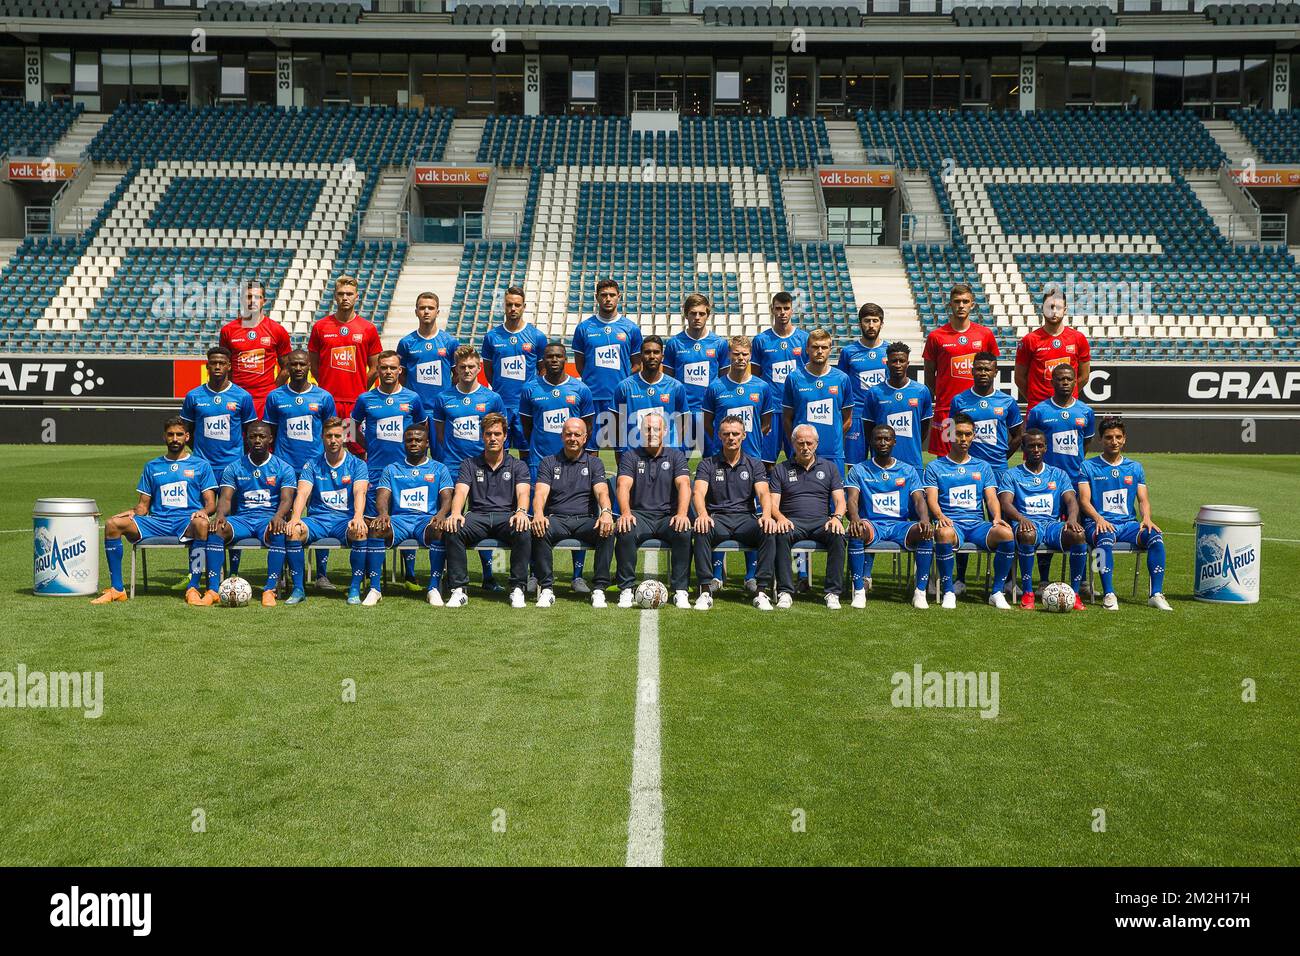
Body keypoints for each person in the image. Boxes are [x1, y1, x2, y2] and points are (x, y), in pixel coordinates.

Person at [91, 417, 218, 606]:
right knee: (112, 524)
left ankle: (193, 587)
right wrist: (133, 512)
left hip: (186, 522)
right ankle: (117, 589)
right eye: (170, 434)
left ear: (187, 437)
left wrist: (203, 511)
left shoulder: (201, 465)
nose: (175, 439)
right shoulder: (152, 466)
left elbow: (211, 503)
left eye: (179, 434)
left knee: (202, 524)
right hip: (157, 521)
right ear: (164, 437)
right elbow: (143, 506)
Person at [701, 334, 777, 595]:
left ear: (751, 357)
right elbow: (708, 422)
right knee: (717, 513)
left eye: (745, 354)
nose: (741, 359)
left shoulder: (762, 387)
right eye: (736, 354)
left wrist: (751, 442)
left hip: (751, 459)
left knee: (753, 515)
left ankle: (751, 575)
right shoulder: (716, 387)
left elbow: (766, 423)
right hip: (719, 460)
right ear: (729, 356)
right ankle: (717, 574)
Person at [432, 345, 508, 591]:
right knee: (449, 523)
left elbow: (500, 432)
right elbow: (441, 436)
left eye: (471, 367)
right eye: (462, 367)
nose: (467, 371)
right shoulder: (443, 399)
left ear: (479, 368)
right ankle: (447, 574)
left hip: (484, 469)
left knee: (490, 521)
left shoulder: (491, 398)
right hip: (453, 467)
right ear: (456, 369)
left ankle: (492, 575)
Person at [261, 349, 339, 591]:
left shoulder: (324, 397)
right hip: (285, 468)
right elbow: (269, 434)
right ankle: (284, 572)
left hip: (316, 467)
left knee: (319, 515)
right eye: (293, 364)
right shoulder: (275, 397)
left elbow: (332, 428)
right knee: (284, 518)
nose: (297, 368)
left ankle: (322, 574)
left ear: (308, 367)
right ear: (286, 367)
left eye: (302, 364)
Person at [922, 413, 1016, 610]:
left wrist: (997, 517)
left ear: (974, 436)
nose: (963, 439)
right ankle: (948, 591)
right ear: (949, 435)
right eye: (958, 434)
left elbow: (991, 497)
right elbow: (931, 499)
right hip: (952, 523)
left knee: (1006, 533)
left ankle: (997, 592)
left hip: (977, 524)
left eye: (967, 434)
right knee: (944, 533)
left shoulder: (983, 466)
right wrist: (940, 517)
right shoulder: (935, 467)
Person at [1077, 417, 1172, 611]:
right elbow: (1084, 501)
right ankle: (1109, 594)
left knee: (1155, 537)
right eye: (1109, 437)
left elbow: (1143, 499)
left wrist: (1146, 518)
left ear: (1124, 439)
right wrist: (1098, 519)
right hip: (1097, 523)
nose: (1114, 441)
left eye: (1118, 437)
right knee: (1102, 540)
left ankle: (1156, 594)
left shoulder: (1135, 467)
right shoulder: (1088, 466)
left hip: (1128, 524)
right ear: (1101, 440)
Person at [351, 350, 429, 585]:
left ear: (400, 371)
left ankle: (410, 572)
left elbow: (422, 430)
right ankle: (370, 572)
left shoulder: (412, 398)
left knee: (406, 516)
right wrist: (370, 447)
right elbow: (352, 429)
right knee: (375, 519)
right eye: (383, 367)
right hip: (375, 470)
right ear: (377, 370)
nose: (387, 372)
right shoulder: (366, 399)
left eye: (392, 368)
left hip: (405, 472)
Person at [948, 351, 1023, 595]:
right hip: (965, 471)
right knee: (963, 518)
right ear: (972, 371)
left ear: (995, 372)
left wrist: (1001, 456)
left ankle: (1009, 579)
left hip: (998, 471)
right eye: (978, 368)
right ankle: (960, 579)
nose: (982, 373)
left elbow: (1018, 435)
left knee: (1003, 521)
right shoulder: (959, 400)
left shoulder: (1007, 402)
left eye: (987, 369)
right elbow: (950, 433)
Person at [860, 342, 932, 594]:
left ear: (908, 361)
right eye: (894, 361)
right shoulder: (875, 393)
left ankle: (921, 577)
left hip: (911, 465)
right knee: (872, 516)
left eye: (902, 360)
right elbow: (869, 430)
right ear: (887, 362)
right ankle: (866, 575)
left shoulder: (921, 391)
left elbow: (923, 429)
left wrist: (908, 449)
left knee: (916, 520)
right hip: (877, 469)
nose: (898, 365)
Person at [442, 413, 533, 609]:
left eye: (497, 434)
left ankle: (517, 588)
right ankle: (459, 590)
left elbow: (523, 492)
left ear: (505, 436)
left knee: (523, 529)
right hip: (477, 517)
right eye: (488, 434)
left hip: (506, 517)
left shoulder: (518, 465)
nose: (493, 438)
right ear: (482, 436)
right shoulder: (469, 464)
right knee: (453, 528)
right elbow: (460, 492)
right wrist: (456, 512)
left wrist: (521, 511)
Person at [690, 416, 778, 611]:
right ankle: (705, 590)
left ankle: (761, 590)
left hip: (745, 519)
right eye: (727, 434)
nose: (731, 437)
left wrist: (766, 515)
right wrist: (703, 514)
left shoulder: (755, 464)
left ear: (743, 436)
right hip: (717, 519)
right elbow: (698, 492)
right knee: (701, 529)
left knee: (768, 530)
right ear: (719, 436)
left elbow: (764, 492)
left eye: (736, 434)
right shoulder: (707, 464)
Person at [362, 424, 454, 608]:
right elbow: (382, 496)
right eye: (409, 440)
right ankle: (375, 589)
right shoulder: (392, 469)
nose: (413, 443)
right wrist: (383, 514)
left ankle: (433, 588)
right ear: (404, 443)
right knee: (377, 528)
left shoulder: (439, 468)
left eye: (418, 440)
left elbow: (447, 497)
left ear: (427, 443)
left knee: (439, 529)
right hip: (399, 521)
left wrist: (442, 514)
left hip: (425, 521)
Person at [845, 424, 935, 610]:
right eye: (878, 439)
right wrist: (854, 519)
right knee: (856, 531)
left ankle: (920, 592)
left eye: (887, 439)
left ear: (895, 442)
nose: (883, 443)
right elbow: (852, 500)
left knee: (925, 532)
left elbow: (919, 500)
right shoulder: (859, 470)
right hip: (872, 524)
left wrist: (924, 519)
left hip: (899, 526)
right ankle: (860, 590)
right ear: (871, 442)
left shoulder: (908, 470)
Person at [209, 421, 298, 607]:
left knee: (279, 530)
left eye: (262, 436)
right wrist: (220, 515)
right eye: (253, 436)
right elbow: (225, 498)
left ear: (270, 439)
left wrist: (279, 516)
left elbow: (287, 499)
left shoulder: (284, 468)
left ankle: (269, 589)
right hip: (242, 519)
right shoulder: (233, 467)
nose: (257, 440)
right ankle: (212, 589)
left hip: (267, 519)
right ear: (246, 439)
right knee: (216, 529)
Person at [998, 429, 1088, 611]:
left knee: (1078, 535)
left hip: (1051, 525)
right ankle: (1028, 592)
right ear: (1023, 448)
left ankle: (1076, 594)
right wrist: (1021, 518)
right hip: (1026, 523)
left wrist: (1072, 519)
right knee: (1027, 534)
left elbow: (1071, 500)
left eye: (1040, 445)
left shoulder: (1059, 474)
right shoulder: (1012, 474)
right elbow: (1006, 503)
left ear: (1046, 448)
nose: (1036, 449)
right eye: (1031, 446)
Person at [284, 417, 371, 606]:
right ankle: (299, 588)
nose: (333, 440)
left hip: (344, 521)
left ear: (345, 437)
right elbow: (302, 493)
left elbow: (360, 491)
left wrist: (357, 516)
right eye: (329, 436)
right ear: (322, 437)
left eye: (337, 436)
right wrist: (296, 518)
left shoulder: (357, 465)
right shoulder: (312, 464)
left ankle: (354, 588)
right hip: (318, 520)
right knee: (293, 532)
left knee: (361, 530)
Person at [530, 419, 615, 608]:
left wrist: (607, 512)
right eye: (568, 434)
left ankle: (599, 588)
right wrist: (537, 514)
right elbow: (541, 494)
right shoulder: (549, 462)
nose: (572, 438)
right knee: (539, 528)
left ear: (585, 438)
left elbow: (602, 492)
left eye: (577, 435)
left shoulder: (594, 463)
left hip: (585, 520)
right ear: (562, 436)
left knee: (607, 530)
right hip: (557, 519)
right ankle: (546, 588)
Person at [1025, 363, 1096, 589]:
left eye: (1069, 379)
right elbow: (1031, 442)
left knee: (1079, 527)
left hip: (1077, 481)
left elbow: (1085, 443)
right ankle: (1043, 578)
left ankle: (1082, 578)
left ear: (1076, 382)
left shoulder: (1085, 411)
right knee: (1046, 525)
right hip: (1048, 482)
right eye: (1060, 379)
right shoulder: (1039, 411)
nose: (1064, 383)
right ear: (1052, 382)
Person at [614, 412, 694, 610]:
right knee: (625, 529)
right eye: (647, 429)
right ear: (641, 432)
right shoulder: (630, 456)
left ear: (665, 431)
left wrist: (682, 514)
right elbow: (623, 485)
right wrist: (625, 512)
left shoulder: (676, 456)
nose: (652, 433)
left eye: (656, 429)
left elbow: (684, 485)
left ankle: (681, 590)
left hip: (668, 516)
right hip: (639, 515)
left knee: (683, 531)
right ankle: (626, 589)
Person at [768, 425, 847, 610]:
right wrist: (780, 518)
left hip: (821, 522)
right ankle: (785, 591)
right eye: (800, 443)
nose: (805, 447)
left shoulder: (829, 468)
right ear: (793, 444)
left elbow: (840, 501)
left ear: (816, 444)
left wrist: (836, 518)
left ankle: (832, 593)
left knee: (838, 535)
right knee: (780, 535)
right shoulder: (781, 469)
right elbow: (772, 504)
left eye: (809, 443)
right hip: (792, 522)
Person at [923, 283, 999, 457]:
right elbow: (929, 374)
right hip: (946, 410)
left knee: (980, 456)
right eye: (957, 301)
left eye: (966, 301)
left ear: (972, 304)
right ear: (950, 304)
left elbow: (992, 368)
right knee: (944, 459)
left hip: (978, 408)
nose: (961, 305)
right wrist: (941, 398)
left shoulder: (985, 334)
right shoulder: (936, 336)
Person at [307, 275, 383, 438]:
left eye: (349, 294)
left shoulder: (368, 328)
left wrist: (360, 389)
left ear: (356, 296)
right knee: (327, 444)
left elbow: (375, 368)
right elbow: (313, 366)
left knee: (357, 446)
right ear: (335, 296)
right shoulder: (320, 327)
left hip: (355, 402)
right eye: (341, 294)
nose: (345, 298)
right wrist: (327, 387)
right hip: (327, 401)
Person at [571, 278, 642, 451]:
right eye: (603, 295)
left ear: (619, 297)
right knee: (590, 447)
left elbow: (637, 365)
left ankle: (624, 478)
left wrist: (622, 383)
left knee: (622, 447)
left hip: (620, 398)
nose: (608, 299)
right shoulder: (584, 328)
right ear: (596, 297)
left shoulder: (631, 328)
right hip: (592, 397)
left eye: (612, 295)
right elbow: (580, 365)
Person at [480, 285, 547, 453]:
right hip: (501, 404)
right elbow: (489, 371)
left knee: (528, 451)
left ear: (524, 307)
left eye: (517, 305)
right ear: (504, 305)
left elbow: (543, 370)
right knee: (499, 451)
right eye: (509, 304)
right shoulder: (492, 337)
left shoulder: (537, 336)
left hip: (527, 405)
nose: (513, 308)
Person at [662, 293, 729, 457]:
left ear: (708, 315)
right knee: (677, 459)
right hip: (682, 412)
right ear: (686, 314)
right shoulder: (674, 344)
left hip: (709, 412)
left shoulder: (719, 344)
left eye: (701, 313)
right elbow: (668, 381)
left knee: (714, 459)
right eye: (693, 313)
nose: (697, 317)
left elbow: (724, 381)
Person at [396, 291, 461, 456]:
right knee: (415, 457)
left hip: (441, 411)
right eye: (422, 308)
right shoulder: (406, 343)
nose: (426, 311)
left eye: (430, 308)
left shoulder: (450, 342)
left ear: (437, 312)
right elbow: (401, 376)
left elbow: (457, 375)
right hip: (415, 411)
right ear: (416, 311)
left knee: (443, 458)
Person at [218, 279, 291, 418]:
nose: (253, 301)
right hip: (236, 397)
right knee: (237, 439)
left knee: (263, 438)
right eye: (249, 297)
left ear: (264, 301)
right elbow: (224, 365)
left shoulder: (277, 330)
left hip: (265, 400)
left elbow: (287, 367)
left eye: (257, 297)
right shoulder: (228, 330)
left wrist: (273, 390)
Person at [180, 346, 258, 475]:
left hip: (233, 465)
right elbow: (186, 430)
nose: (217, 366)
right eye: (213, 363)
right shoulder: (193, 396)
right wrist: (199, 452)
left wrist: (238, 453)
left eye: (221, 363)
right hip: (202, 465)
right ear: (207, 366)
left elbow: (251, 432)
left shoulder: (243, 396)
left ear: (229, 366)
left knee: (228, 496)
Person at [751, 291, 809, 465]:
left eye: (786, 308)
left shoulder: (804, 339)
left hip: (796, 408)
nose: (782, 312)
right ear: (772, 310)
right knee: (766, 462)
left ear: (792, 311)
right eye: (778, 308)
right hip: (772, 409)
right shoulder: (761, 340)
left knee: (799, 458)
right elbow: (755, 376)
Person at [1015, 286, 1092, 410]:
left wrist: (1068, 396)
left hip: (1069, 408)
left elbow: (1084, 376)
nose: (1054, 311)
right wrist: (1035, 400)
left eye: (1059, 307)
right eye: (1050, 307)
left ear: (1065, 310)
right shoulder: (1029, 340)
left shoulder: (1078, 338)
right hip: (1039, 408)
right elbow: (1019, 378)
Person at [836, 302, 890, 471]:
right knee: (853, 466)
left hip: (882, 416)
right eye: (867, 320)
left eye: (875, 320)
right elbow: (841, 385)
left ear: (881, 323)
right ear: (860, 323)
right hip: (857, 416)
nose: (871, 325)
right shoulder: (848, 352)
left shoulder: (890, 351)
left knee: (882, 464)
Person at [614, 336, 689, 453]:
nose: (652, 356)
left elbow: (684, 421)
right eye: (647, 352)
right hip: (633, 453)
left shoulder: (676, 387)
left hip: (666, 453)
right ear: (641, 356)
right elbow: (616, 423)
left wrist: (675, 448)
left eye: (656, 352)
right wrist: (619, 452)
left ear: (662, 357)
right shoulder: (625, 386)